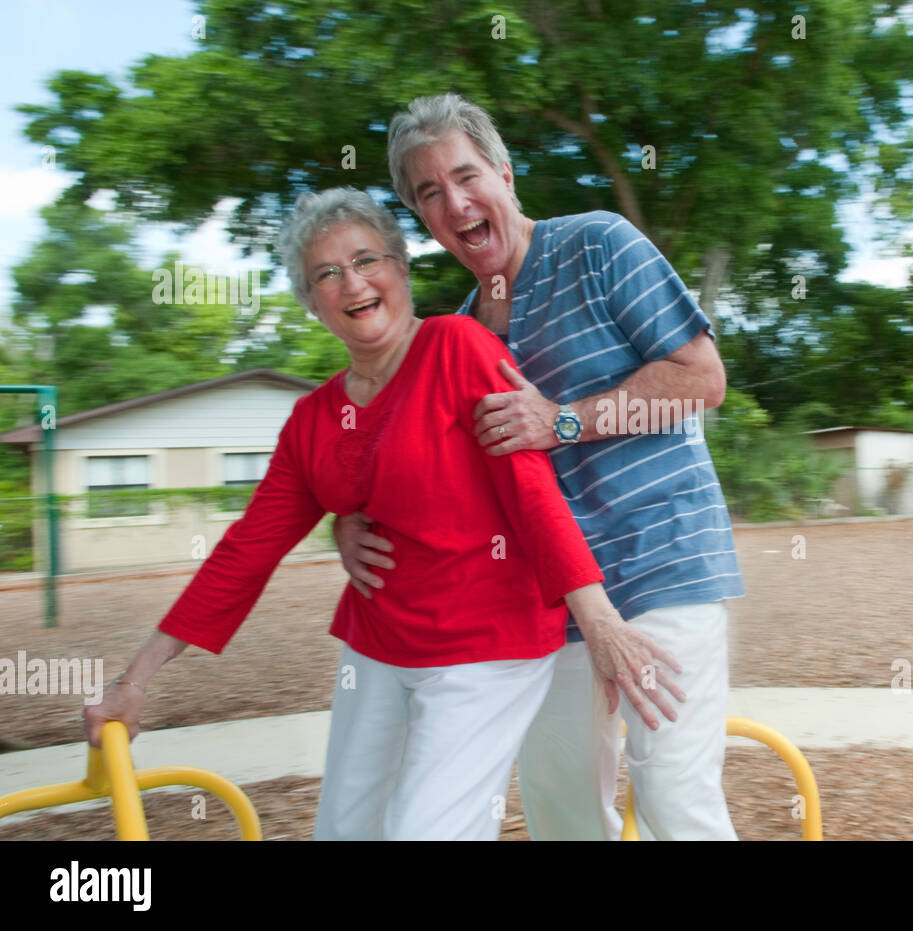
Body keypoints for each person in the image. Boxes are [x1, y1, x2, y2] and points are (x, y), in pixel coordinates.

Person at [82, 187, 683, 841]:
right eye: (327, 273)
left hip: (488, 643)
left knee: (426, 830)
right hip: (377, 643)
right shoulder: (313, 421)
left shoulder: (459, 346)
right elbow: (244, 551)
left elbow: (530, 489)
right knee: (346, 829)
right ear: (313, 304)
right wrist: (132, 679)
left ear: (399, 267)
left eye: (367, 259)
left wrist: (598, 619)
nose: (352, 282)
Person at [336, 93, 745, 840]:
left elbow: (700, 378)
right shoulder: (456, 334)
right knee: (561, 812)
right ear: (422, 219)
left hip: (664, 564)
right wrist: (349, 517)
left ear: (506, 173)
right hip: (546, 605)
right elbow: (427, 469)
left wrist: (560, 421)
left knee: (673, 796)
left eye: (465, 176)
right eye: (429, 193)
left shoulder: (598, 243)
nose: (455, 201)